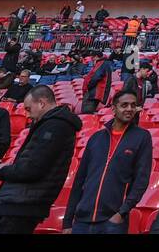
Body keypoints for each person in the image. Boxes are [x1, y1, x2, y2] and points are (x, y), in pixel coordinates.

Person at [0, 85, 82, 234]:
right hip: (23, 201)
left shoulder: (55, 126)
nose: (27, 115)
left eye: (29, 109)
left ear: (41, 103)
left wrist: (3, 171)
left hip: (23, 203)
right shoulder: (52, 124)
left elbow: (33, 168)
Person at [64, 90, 152, 233]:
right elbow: (79, 180)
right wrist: (67, 222)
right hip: (82, 220)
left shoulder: (142, 137)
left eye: (133, 105)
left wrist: (122, 212)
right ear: (114, 109)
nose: (129, 109)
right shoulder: (96, 138)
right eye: (124, 105)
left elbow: (141, 180)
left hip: (112, 221)